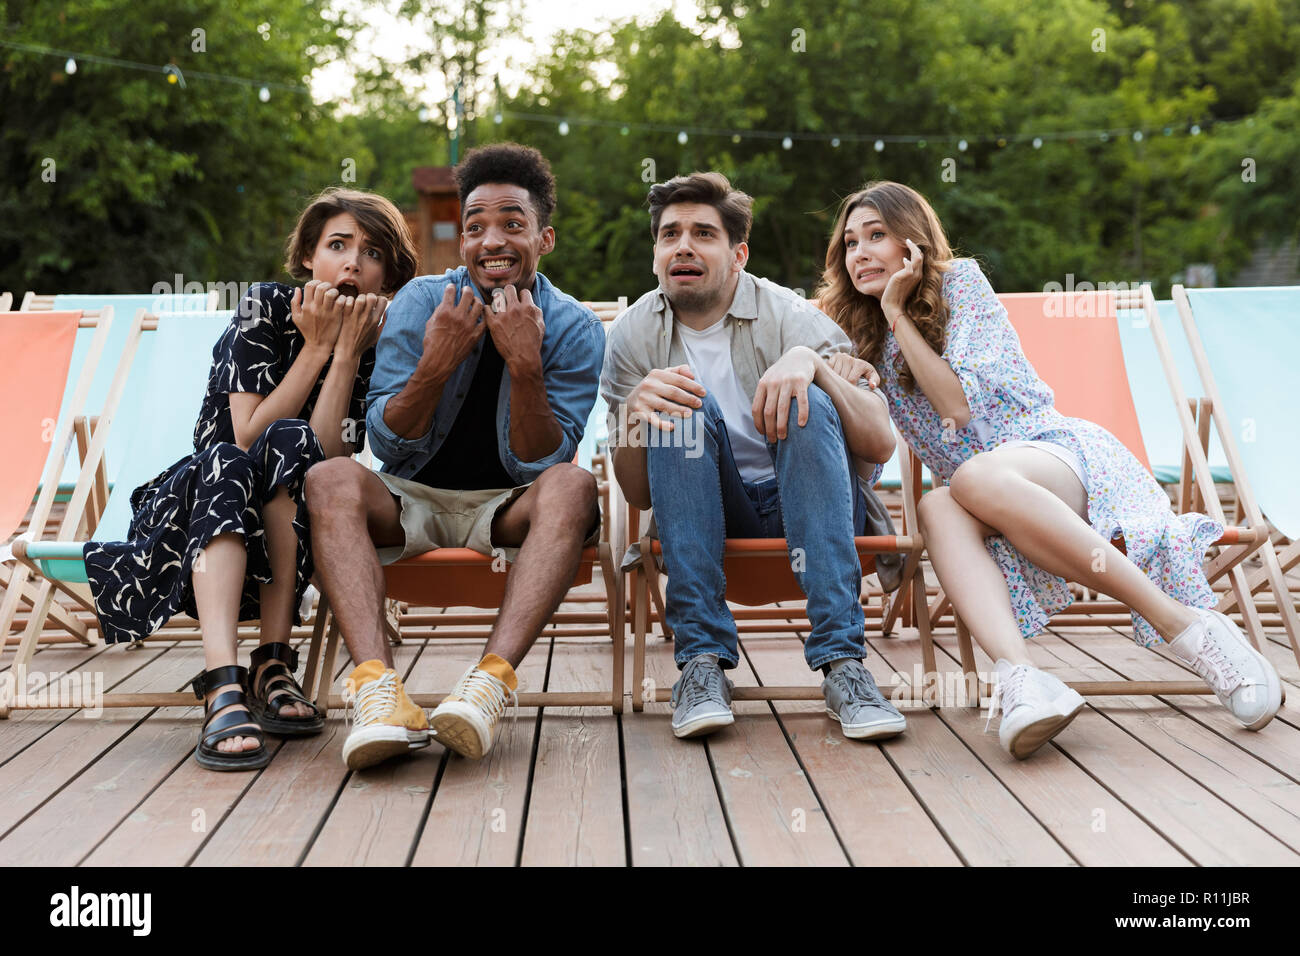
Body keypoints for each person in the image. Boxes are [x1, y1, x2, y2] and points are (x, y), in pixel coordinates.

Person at [815, 180, 1281, 759]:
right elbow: (870, 452)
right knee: (939, 503)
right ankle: (1023, 680)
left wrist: (896, 315)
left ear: (912, 241)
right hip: (975, 493)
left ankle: (1188, 628)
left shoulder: (960, 285)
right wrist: (837, 374)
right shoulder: (855, 333)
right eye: (850, 242)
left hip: (1053, 454)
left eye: (876, 236)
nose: (860, 252)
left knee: (966, 479)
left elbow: (956, 407)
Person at [85, 187, 418, 771]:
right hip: (201, 506)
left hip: (294, 518)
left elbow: (327, 456)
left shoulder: (377, 338)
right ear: (309, 259)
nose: (351, 262)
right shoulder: (263, 306)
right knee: (237, 459)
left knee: (299, 451)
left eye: (371, 253)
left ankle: (271, 660)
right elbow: (244, 437)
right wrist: (316, 349)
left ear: (386, 274)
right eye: (337, 245)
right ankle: (222, 683)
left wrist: (345, 357)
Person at [305, 143, 604, 770]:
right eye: (475, 227)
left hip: (505, 507)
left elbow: (541, 467)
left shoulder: (575, 328)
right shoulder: (419, 303)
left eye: (511, 224)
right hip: (410, 499)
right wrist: (437, 362)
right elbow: (384, 445)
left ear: (544, 238)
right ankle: (378, 693)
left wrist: (526, 367)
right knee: (329, 477)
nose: (491, 240)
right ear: (462, 240)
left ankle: (489, 685)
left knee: (575, 486)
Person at [601, 171, 906, 741]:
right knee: (676, 400)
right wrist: (633, 420)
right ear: (655, 255)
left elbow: (879, 445)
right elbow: (637, 494)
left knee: (804, 399)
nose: (683, 247)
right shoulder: (631, 337)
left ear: (738, 254)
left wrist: (811, 366)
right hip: (709, 514)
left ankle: (845, 667)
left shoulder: (791, 316)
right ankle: (700, 666)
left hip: (812, 508)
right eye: (669, 235)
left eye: (703, 234)